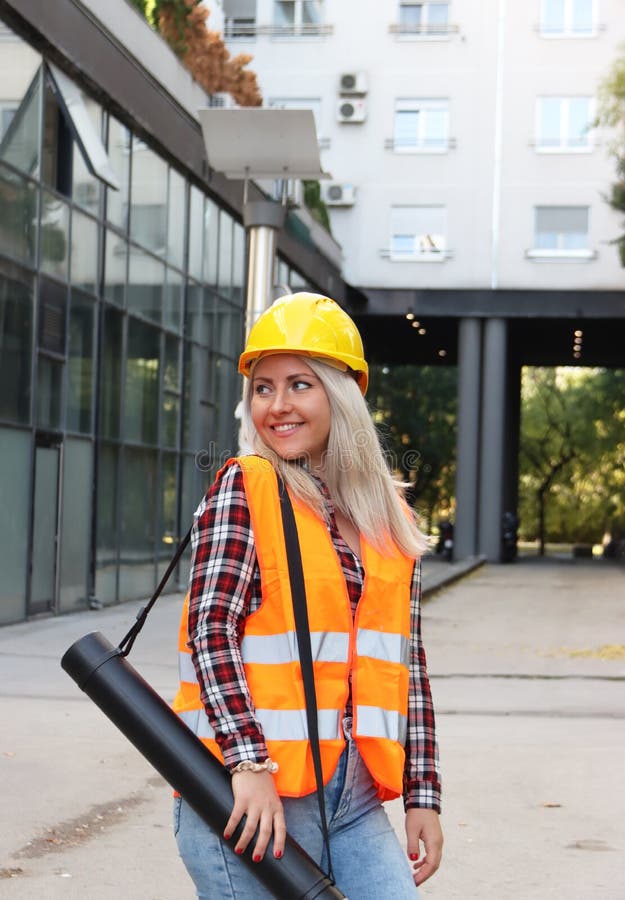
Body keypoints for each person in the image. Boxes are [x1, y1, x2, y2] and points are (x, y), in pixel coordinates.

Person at [172, 292, 443, 899]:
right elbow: (211, 630)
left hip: (354, 799)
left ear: (341, 395)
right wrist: (247, 763)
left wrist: (422, 792)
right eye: (263, 388)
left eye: (300, 384)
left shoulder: (390, 519)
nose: (278, 406)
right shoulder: (246, 487)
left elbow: (407, 665)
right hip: (250, 798)